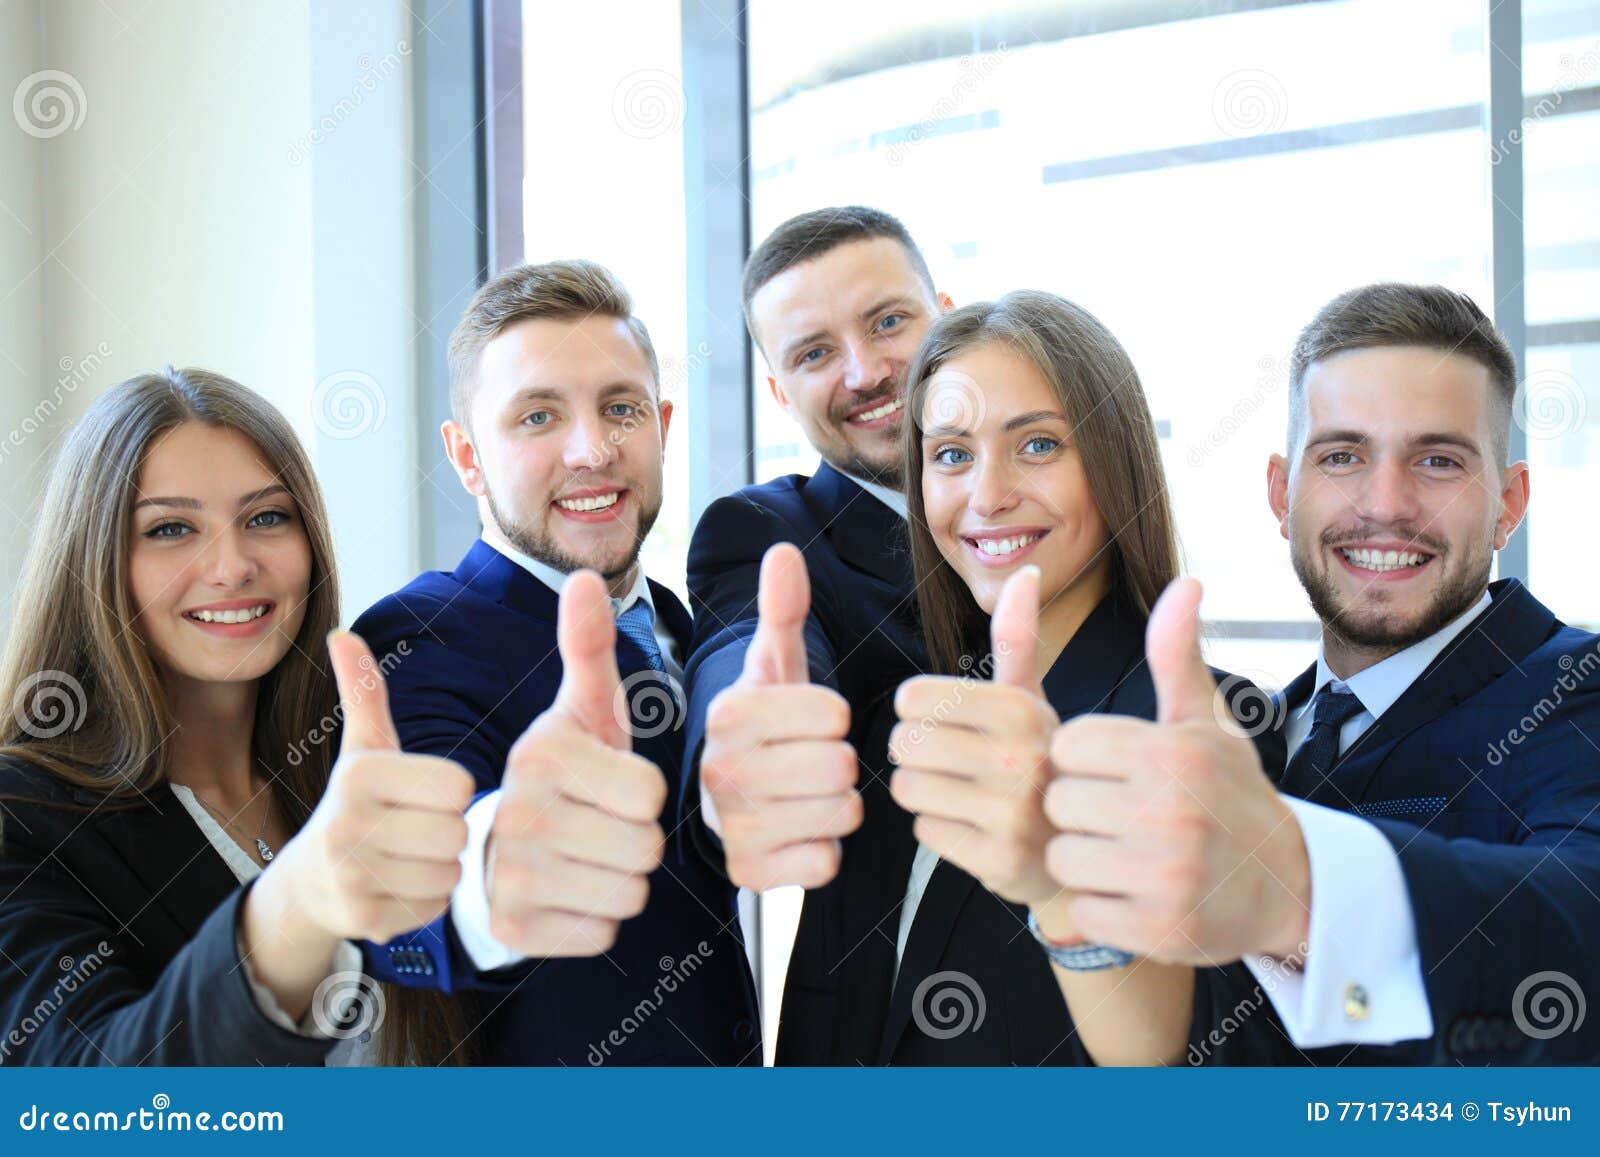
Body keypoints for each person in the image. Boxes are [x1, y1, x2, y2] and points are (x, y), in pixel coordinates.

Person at [1037, 283, 1600, 1064]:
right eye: (1342, 455)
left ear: (1509, 502)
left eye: (1437, 460)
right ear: (1282, 492)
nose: (1384, 503)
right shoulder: (1243, 730)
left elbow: (1580, 919)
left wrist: (1299, 884)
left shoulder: (1576, 694)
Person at [824, 290, 1276, 1063]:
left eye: (1037, 445)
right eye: (952, 454)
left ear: (1113, 464)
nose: (987, 495)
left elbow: (1205, 1066)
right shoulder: (899, 726)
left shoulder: (1209, 730)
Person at [0, 368, 473, 1066]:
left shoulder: (356, 760)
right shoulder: (22, 816)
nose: (231, 565)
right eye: (169, 528)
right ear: (94, 561)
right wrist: (297, 903)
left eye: (265, 517)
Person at [354, 260, 757, 1065]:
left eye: (621, 408)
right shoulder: (419, 635)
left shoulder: (679, 625)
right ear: (468, 458)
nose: (593, 450)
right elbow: (405, 892)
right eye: (538, 417)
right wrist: (487, 864)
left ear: (663, 427)